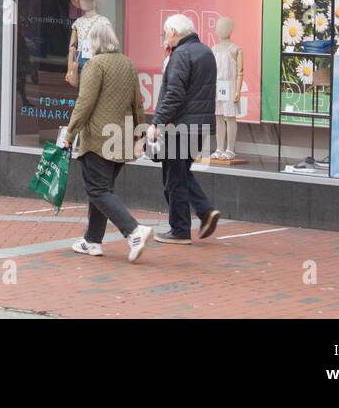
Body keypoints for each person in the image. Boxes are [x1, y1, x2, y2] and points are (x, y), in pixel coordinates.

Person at [61, 19, 154, 263]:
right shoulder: (128, 64)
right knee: (102, 190)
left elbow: (85, 103)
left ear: (94, 43)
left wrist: (69, 134)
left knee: (98, 189)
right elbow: (138, 103)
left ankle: (134, 231)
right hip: (121, 138)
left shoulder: (95, 65)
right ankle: (92, 241)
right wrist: (140, 134)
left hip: (99, 139)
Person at [147, 14, 222, 244]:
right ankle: (204, 212)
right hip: (200, 127)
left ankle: (181, 228)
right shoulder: (206, 52)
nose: (164, 39)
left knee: (175, 178)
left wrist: (157, 122)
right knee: (181, 174)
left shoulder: (181, 54)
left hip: (181, 127)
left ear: (172, 32)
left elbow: (174, 94)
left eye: (165, 34)